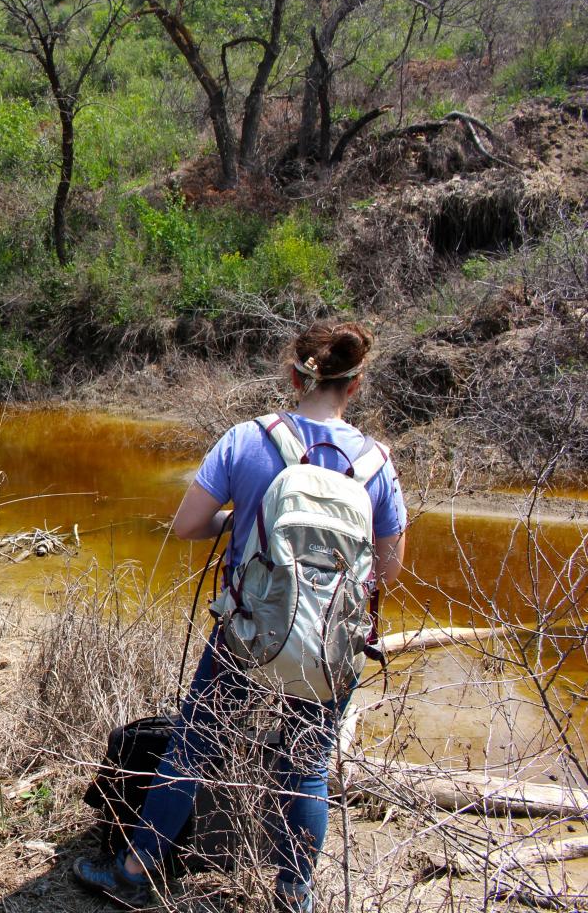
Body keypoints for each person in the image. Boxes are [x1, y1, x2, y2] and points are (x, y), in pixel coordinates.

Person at [74, 321, 408, 913]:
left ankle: (133, 871)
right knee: (307, 766)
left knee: (192, 746)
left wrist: (234, 525)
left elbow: (186, 527)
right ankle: (293, 894)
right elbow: (386, 569)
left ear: (293, 375)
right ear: (354, 386)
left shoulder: (247, 440)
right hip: (328, 644)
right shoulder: (377, 463)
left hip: (246, 633)